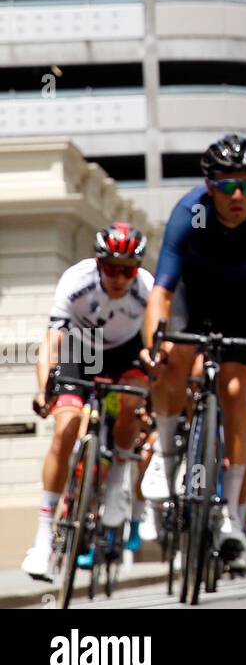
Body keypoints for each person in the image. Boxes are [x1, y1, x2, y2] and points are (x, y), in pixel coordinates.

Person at [142, 133, 246, 571]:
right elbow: (161, 292)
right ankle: (165, 454)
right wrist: (155, 343)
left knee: (234, 389)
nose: (238, 196)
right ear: (210, 187)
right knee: (173, 358)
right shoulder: (191, 213)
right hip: (193, 296)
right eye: (228, 186)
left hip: (241, 303)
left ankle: (230, 511)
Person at [22, 224, 153, 580]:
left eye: (127, 270)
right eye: (111, 268)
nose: (119, 278)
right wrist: (43, 390)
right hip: (81, 350)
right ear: (98, 264)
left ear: (137, 270)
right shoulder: (75, 280)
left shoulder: (146, 288)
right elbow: (51, 341)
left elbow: (155, 344)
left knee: (131, 404)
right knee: (65, 429)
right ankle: (43, 538)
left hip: (125, 353)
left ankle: (116, 483)